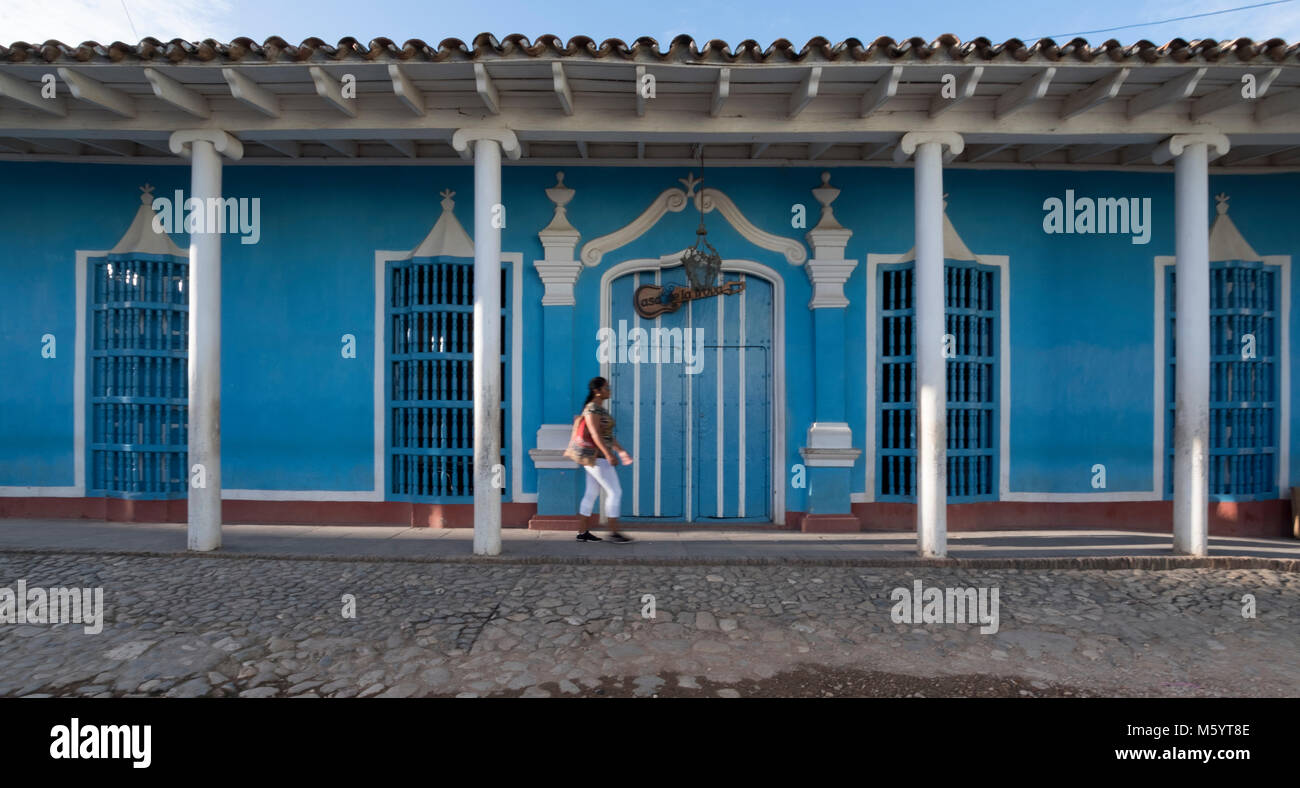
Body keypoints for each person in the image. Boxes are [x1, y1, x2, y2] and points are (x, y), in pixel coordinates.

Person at [572, 376, 634, 544]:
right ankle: (614, 532)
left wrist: (621, 452)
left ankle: (582, 532)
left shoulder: (599, 408)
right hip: (597, 458)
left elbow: (607, 435)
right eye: (606, 388)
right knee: (615, 492)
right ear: (596, 391)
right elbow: (595, 434)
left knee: (591, 493)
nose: (609, 390)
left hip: (597, 459)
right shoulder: (592, 409)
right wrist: (608, 454)